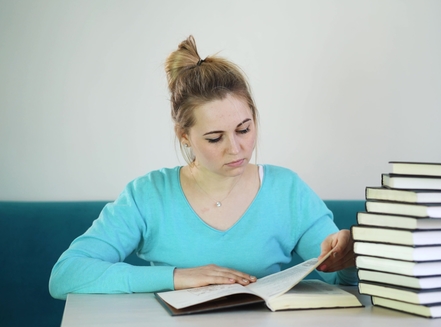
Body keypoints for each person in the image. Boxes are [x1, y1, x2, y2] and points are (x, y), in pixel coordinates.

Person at [49, 35, 357, 300]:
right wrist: (178, 277)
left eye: (244, 130)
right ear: (185, 136)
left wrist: (351, 257)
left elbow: (339, 281)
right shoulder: (148, 195)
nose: (235, 148)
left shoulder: (287, 190)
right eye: (214, 137)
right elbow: (66, 275)